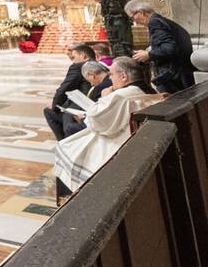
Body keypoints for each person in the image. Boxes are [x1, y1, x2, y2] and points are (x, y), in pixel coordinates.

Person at [54, 57, 154, 196]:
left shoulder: (121, 95)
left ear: (123, 76)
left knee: (64, 149)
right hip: (133, 137)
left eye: (112, 74)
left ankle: (70, 198)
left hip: (117, 143)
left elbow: (97, 122)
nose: (110, 78)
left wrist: (104, 96)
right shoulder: (147, 89)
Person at [125, 0, 196, 93]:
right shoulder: (164, 22)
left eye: (132, 18)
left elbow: (169, 48)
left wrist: (148, 54)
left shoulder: (155, 23)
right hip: (182, 75)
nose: (134, 22)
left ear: (141, 12)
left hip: (174, 79)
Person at [42, 43, 95, 141]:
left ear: (83, 56)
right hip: (93, 102)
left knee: (54, 112)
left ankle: (65, 144)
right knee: (50, 111)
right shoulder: (96, 64)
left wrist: (55, 105)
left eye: (74, 57)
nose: (73, 61)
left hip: (81, 105)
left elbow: (64, 88)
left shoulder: (78, 66)